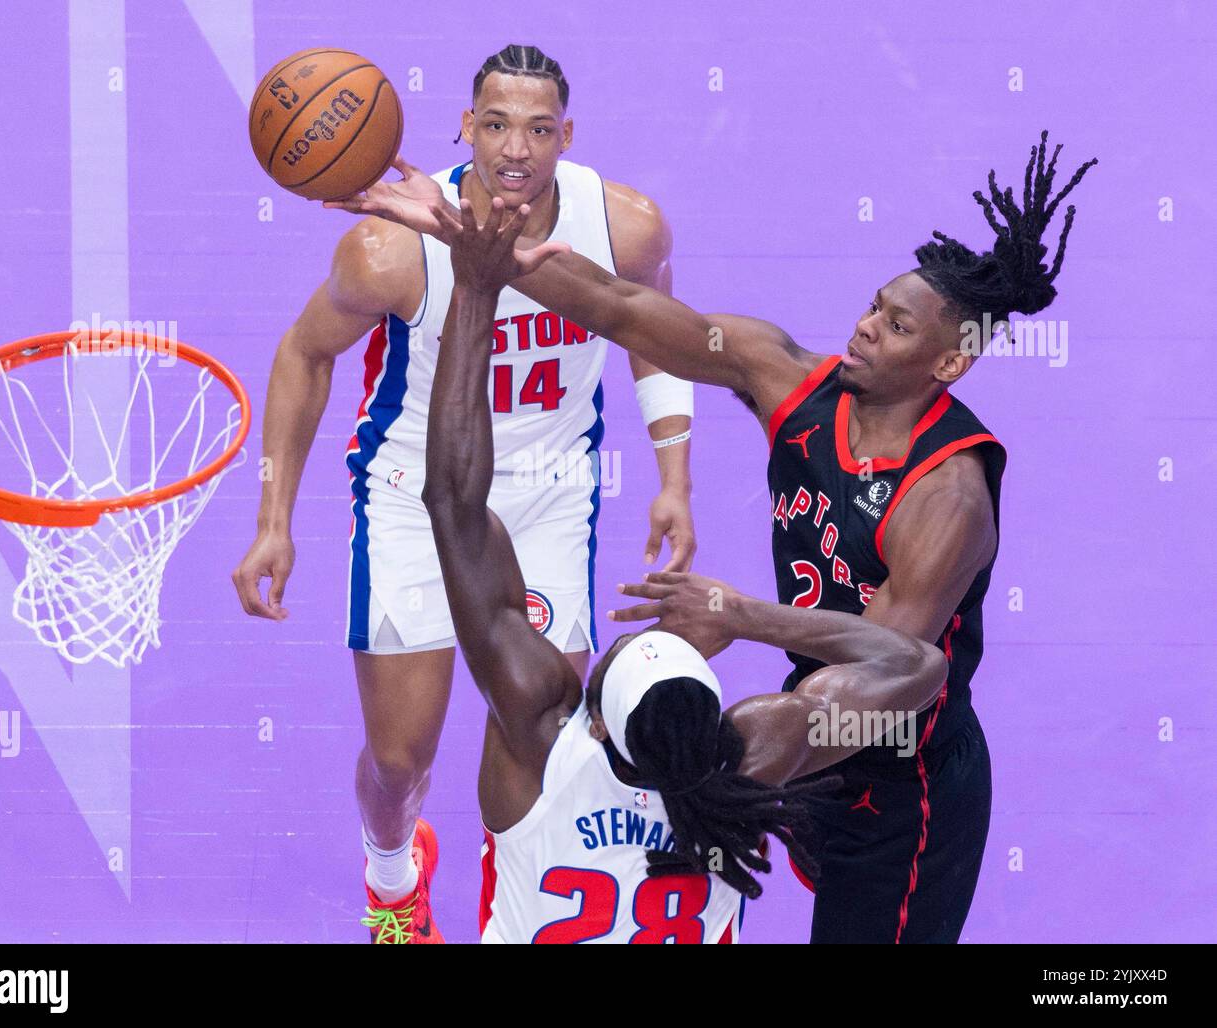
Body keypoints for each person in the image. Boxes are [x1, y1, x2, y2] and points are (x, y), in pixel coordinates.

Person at [347, 131, 1096, 942]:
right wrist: (474, 234)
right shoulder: (790, 378)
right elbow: (618, 304)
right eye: (876, 304)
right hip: (804, 730)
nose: (868, 327)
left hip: (893, 773)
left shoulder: (948, 497)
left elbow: (885, 661)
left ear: (949, 364)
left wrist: (740, 616)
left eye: (898, 326)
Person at [232, 44, 697, 943]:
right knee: (401, 759)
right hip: (416, 492)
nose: (514, 148)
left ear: (568, 134)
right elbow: (304, 353)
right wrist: (272, 521)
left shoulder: (628, 226)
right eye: (494, 124)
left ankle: (509, 913)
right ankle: (393, 876)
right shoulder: (389, 246)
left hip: (551, 496)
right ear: (462, 129)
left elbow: (660, 333)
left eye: (536, 128)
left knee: (544, 729)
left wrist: (673, 476)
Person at [424, 194, 947, 943]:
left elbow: (452, 498)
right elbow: (917, 662)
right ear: (716, 723)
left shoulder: (542, 741)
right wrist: (746, 617)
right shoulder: (750, 761)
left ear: (596, 721)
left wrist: (474, 291)